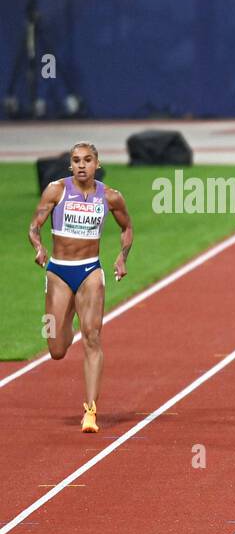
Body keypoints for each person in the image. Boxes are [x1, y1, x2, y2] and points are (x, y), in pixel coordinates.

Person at [27, 142, 133, 433]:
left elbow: (127, 227)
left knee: (93, 337)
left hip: (90, 271)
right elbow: (34, 226)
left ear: (97, 163)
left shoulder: (110, 196)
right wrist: (38, 247)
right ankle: (63, 316)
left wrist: (122, 258)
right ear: (70, 165)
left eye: (87, 160)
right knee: (57, 349)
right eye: (76, 160)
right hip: (59, 273)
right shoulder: (56, 191)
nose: (82, 165)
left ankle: (90, 411)